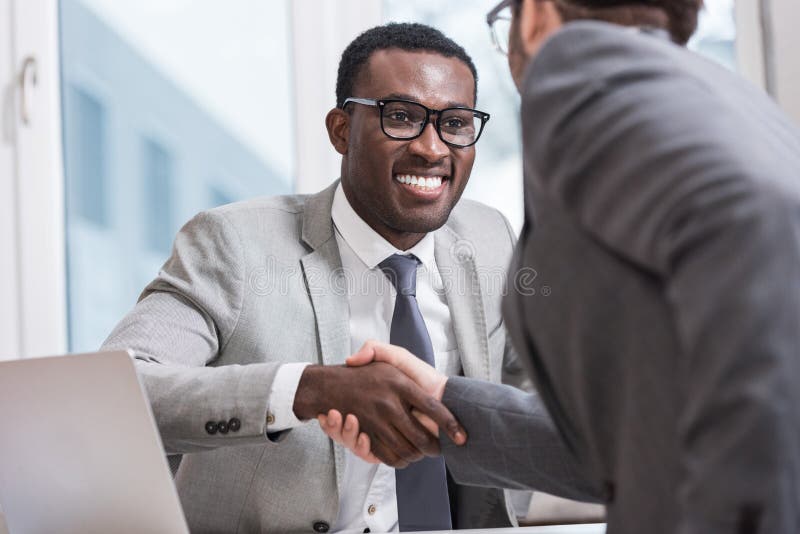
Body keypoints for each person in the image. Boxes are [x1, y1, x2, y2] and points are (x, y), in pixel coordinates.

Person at [321, 1, 800, 533]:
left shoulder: (591, 93)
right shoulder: (731, 105)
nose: (432, 147)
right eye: (402, 116)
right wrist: (447, 403)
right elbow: (626, 436)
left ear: (535, 16)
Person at [101, 22, 534, 534]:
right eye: (401, 117)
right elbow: (119, 390)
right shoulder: (234, 244)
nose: (432, 148)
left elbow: (533, 378)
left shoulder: (488, 236)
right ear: (341, 130)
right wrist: (309, 389)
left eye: (455, 123)